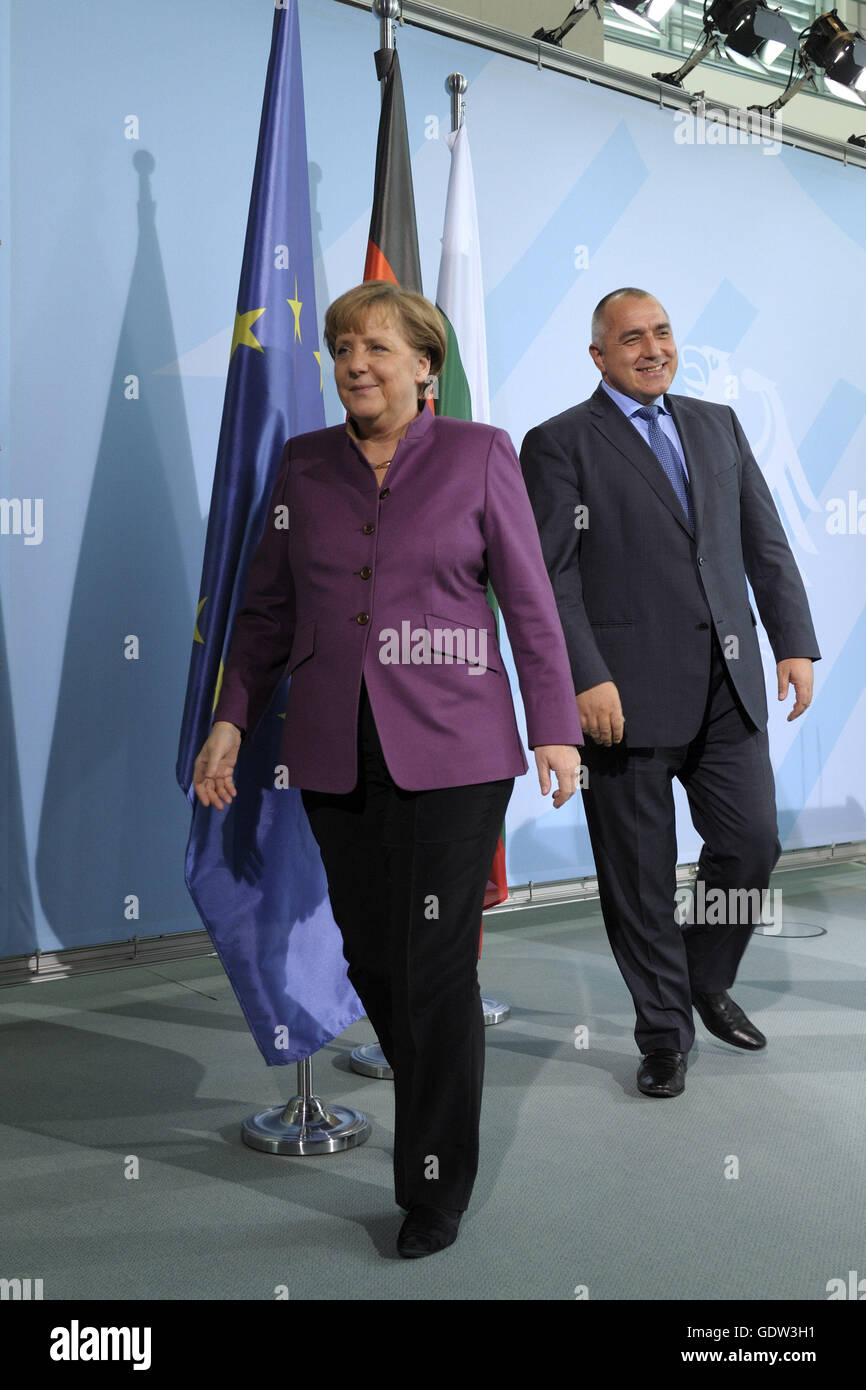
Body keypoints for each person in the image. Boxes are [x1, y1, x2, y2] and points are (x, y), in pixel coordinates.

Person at [193, 281, 582, 1256]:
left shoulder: (480, 454)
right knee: (372, 955)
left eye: (373, 346)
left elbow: (529, 604)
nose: (354, 363)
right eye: (340, 348)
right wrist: (232, 718)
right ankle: (443, 1081)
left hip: (456, 750)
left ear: (423, 364)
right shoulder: (303, 464)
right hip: (333, 749)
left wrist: (555, 725)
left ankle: (432, 1186)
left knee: (434, 960)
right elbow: (266, 611)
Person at [520, 287, 820, 1099]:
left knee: (751, 845)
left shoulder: (718, 424)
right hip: (621, 701)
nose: (652, 348)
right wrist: (585, 676)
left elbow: (763, 539)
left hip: (729, 685)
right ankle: (663, 1036)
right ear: (598, 356)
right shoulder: (558, 443)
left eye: (661, 332)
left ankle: (702, 976)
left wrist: (792, 641)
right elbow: (550, 579)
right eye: (631, 338)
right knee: (640, 879)